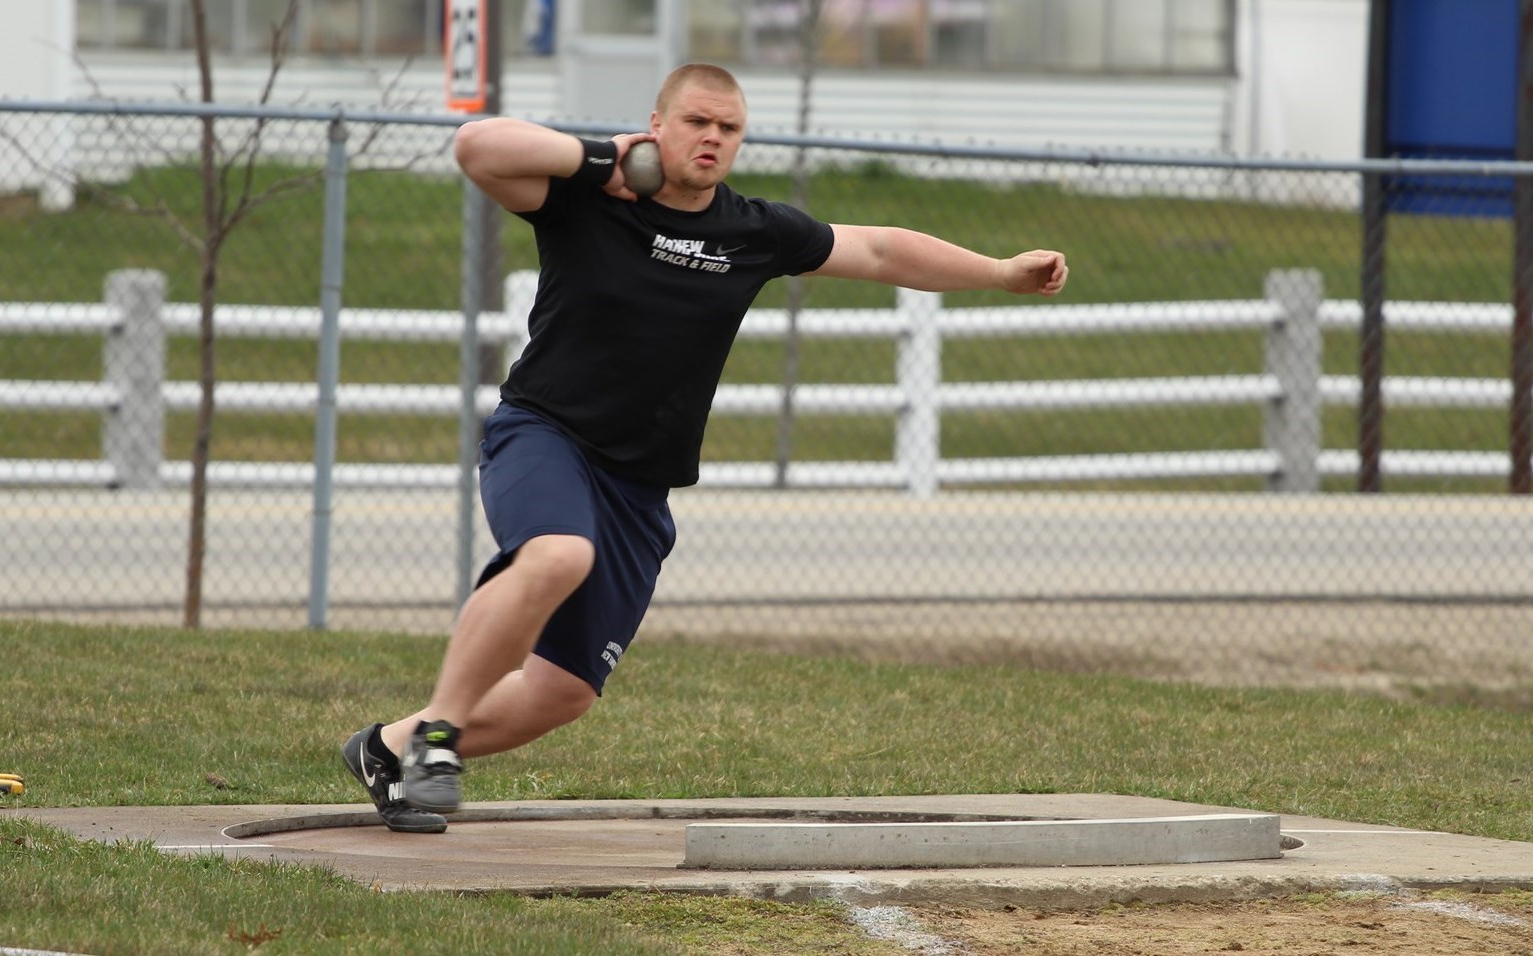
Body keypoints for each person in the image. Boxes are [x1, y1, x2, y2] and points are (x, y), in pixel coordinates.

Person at [342, 63, 1069, 833]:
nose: (712, 138)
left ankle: (388, 749)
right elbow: (477, 146)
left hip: (639, 486)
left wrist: (999, 272)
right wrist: (597, 159)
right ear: (658, 126)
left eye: (729, 128)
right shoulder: (588, 203)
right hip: (545, 434)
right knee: (556, 555)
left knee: (562, 694)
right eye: (696, 122)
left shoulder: (751, 232)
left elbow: (882, 252)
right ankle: (438, 742)